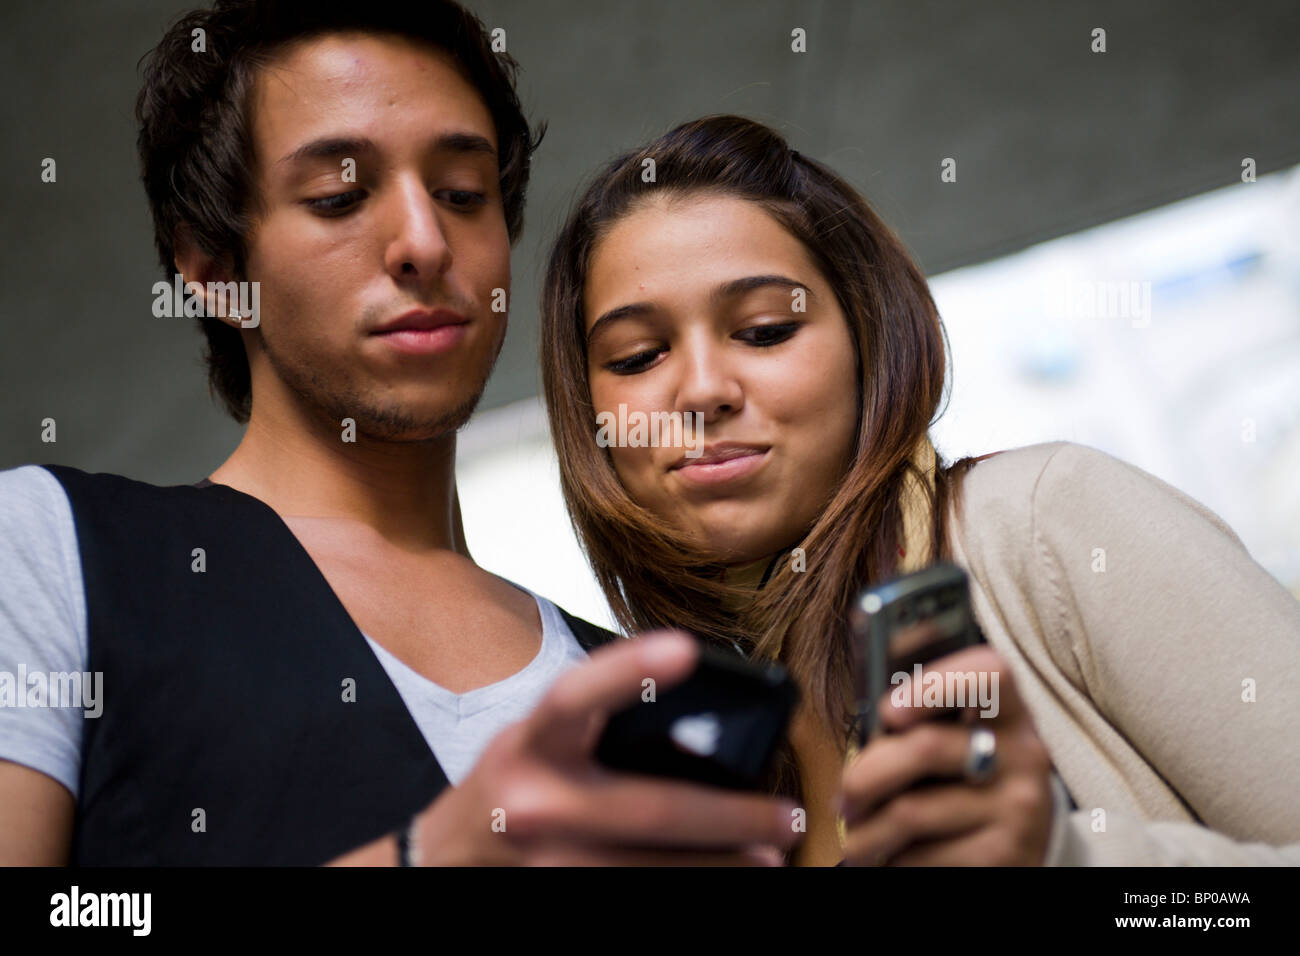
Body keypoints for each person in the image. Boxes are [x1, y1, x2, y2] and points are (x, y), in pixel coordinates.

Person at [0, 3, 799, 867]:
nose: (424, 240)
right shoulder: (54, 551)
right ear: (216, 272)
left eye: (463, 193)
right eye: (340, 196)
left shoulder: (633, 690)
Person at [538, 114, 1300, 866]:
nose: (703, 390)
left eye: (766, 329)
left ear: (870, 344)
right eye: (637, 357)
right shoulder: (700, 750)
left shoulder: (1045, 521)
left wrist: (1062, 857)